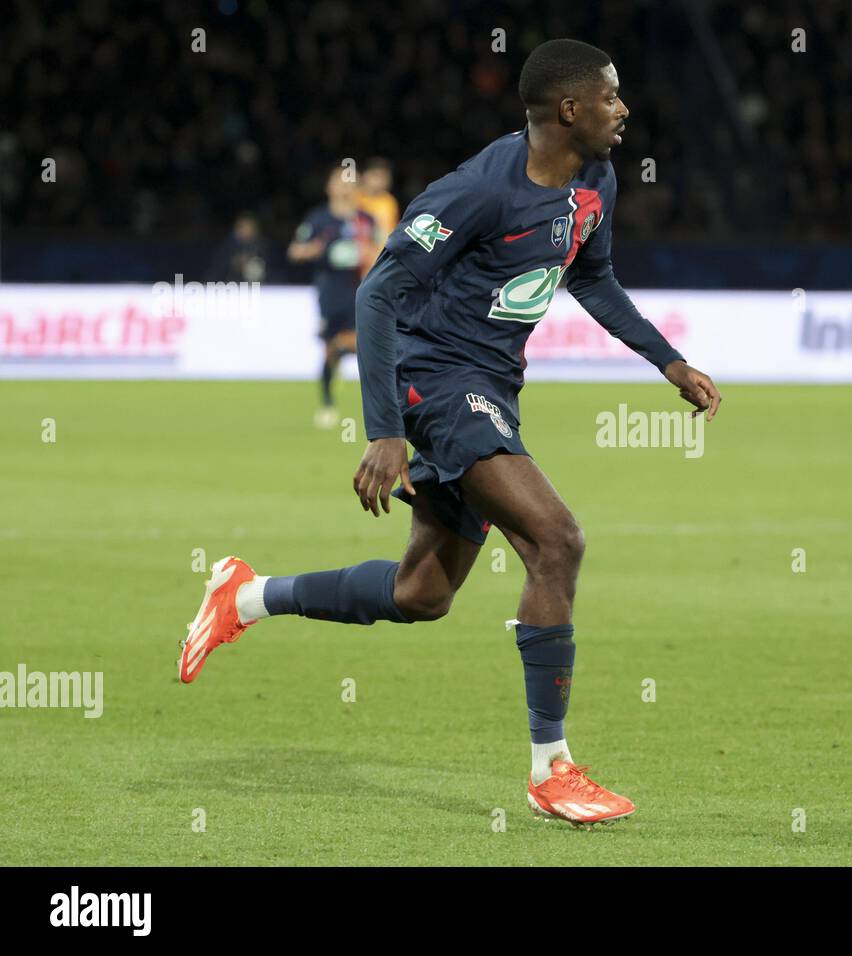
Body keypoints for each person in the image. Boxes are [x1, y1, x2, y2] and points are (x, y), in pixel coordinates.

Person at [178, 39, 721, 826]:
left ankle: (246, 596)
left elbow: (592, 277)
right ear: (569, 110)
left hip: (491, 386)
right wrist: (386, 430)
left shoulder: (595, 179)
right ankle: (552, 769)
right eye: (610, 96)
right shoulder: (475, 191)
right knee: (557, 540)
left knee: (421, 594)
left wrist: (667, 361)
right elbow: (376, 295)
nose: (623, 109)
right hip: (437, 382)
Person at [288, 167, 376, 428]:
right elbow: (295, 251)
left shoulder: (366, 220)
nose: (345, 188)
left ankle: (377, 407)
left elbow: (379, 250)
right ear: (330, 187)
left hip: (360, 290)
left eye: (350, 183)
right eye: (340, 182)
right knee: (329, 351)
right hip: (330, 292)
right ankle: (327, 403)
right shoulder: (319, 219)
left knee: (364, 343)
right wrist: (312, 250)